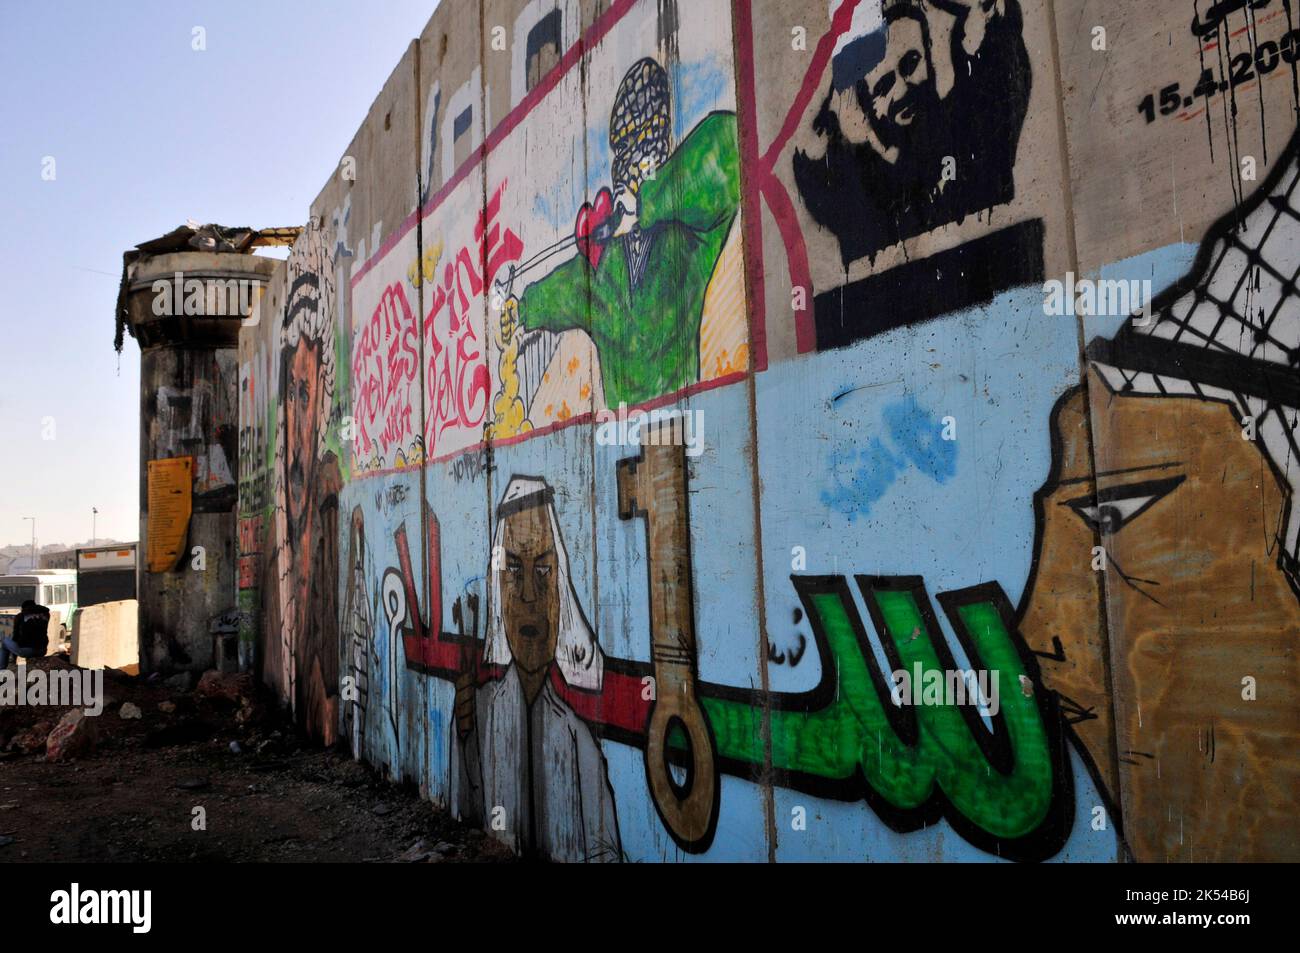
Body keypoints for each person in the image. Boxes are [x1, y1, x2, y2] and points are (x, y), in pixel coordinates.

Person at [502, 57, 741, 408]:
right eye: (625, 152)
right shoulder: (603, 267)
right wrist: (519, 311)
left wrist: (645, 204)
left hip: (683, 426)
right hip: (622, 442)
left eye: (646, 147)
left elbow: (727, 145)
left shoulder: (688, 235)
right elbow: (561, 291)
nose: (632, 164)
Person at [451, 477, 622, 862]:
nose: (529, 594)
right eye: (513, 571)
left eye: (543, 572)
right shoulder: (475, 712)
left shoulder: (580, 742)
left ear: (561, 587)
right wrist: (465, 744)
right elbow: (466, 814)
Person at [1, 600, 50, 668]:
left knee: (5, 641)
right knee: (30, 641)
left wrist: (14, 658)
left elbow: (15, 636)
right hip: (42, 650)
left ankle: (1, 669)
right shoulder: (46, 615)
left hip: (27, 651)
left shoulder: (20, 616)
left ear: (24, 608)